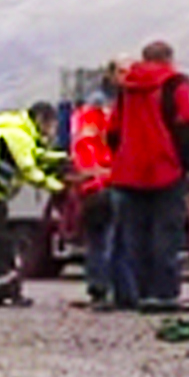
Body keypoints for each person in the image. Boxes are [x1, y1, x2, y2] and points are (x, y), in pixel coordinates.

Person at [107, 41, 189, 313]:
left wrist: (124, 157)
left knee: (137, 236)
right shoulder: (176, 85)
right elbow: (187, 125)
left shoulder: (126, 90)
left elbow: (113, 132)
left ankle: (143, 293)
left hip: (129, 174)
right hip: (165, 170)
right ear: (169, 58)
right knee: (166, 235)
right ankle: (165, 295)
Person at [0, 101, 68, 306]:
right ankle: (8, 291)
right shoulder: (17, 134)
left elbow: (35, 155)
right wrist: (56, 186)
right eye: (50, 126)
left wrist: (60, 159)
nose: (51, 132)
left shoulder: (19, 132)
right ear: (40, 120)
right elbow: (28, 169)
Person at [70, 78, 131, 309]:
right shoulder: (111, 119)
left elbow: (79, 154)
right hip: (111, 184)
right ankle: (119, 290)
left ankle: (98, 286)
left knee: (97, 242)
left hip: (89, 188)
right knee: (115, 242)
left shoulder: (80, 122)